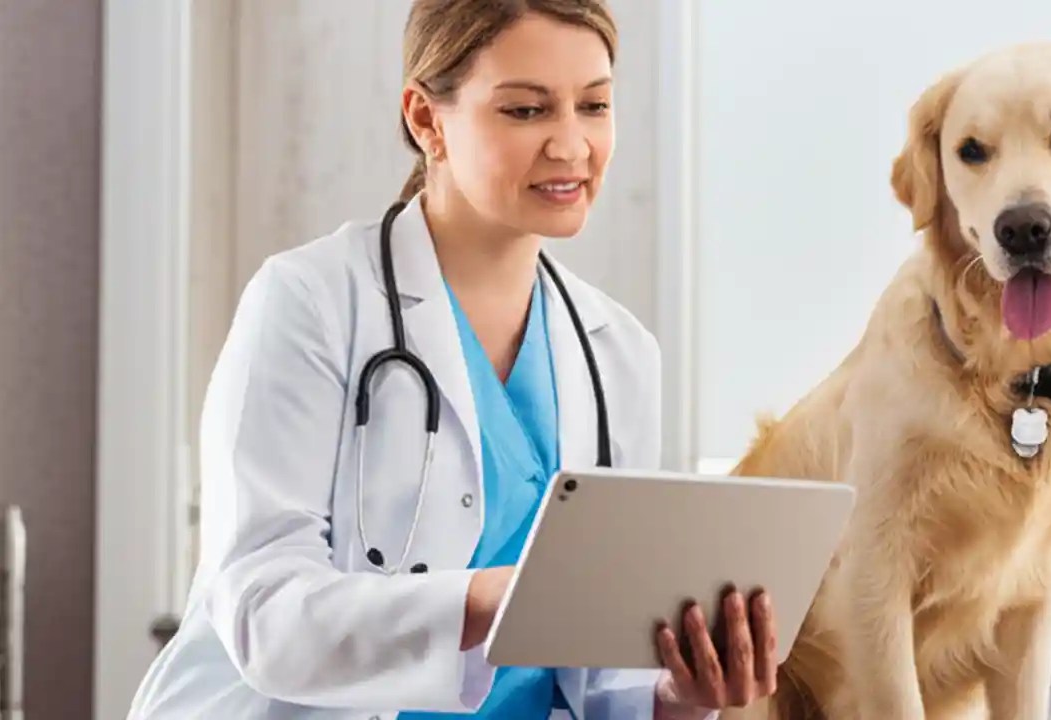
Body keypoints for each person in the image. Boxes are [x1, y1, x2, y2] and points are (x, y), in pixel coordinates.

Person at [127, 1, 777, 718]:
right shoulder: (311, 303)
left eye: (594, 105)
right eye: (526, 110)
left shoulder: (617, 352)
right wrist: (484, 600)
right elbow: (263, 613)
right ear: (426, 120)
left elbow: (603, 686)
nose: (571, 145)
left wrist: (680, 694)